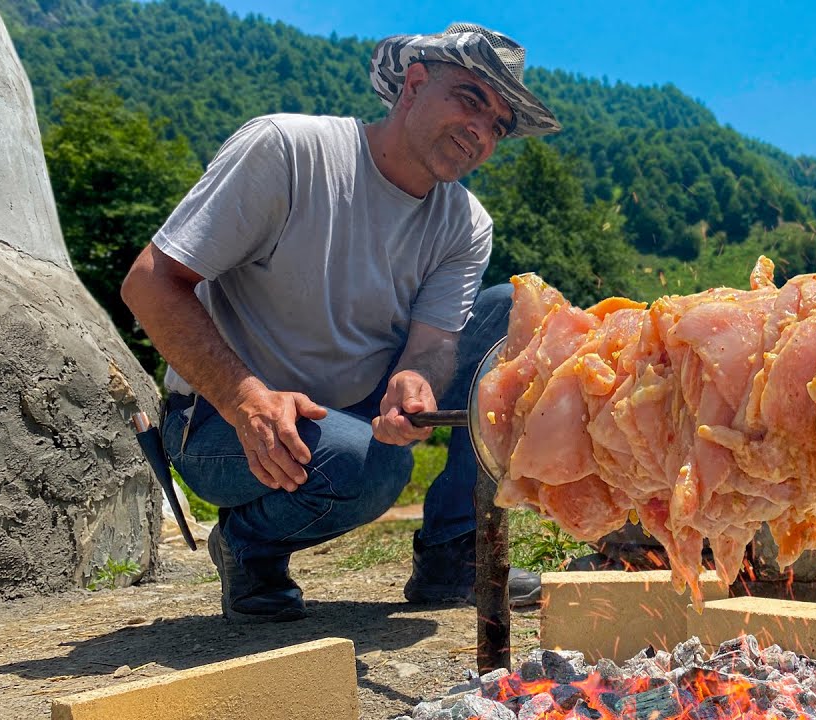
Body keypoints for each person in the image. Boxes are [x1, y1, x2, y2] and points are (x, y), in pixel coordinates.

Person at [121, 23, 560, 623]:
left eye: (499, 125)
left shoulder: (465, 224)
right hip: (219, 421)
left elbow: (435, 343)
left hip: (352, 412)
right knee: (370, 465)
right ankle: (250, 547)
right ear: (413, 84)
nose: (481, 132)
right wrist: (245, 398)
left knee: (514, 310)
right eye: (470, 99)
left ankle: (453, 554)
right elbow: (149, 283)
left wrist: (416, 378)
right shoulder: (288, 152)